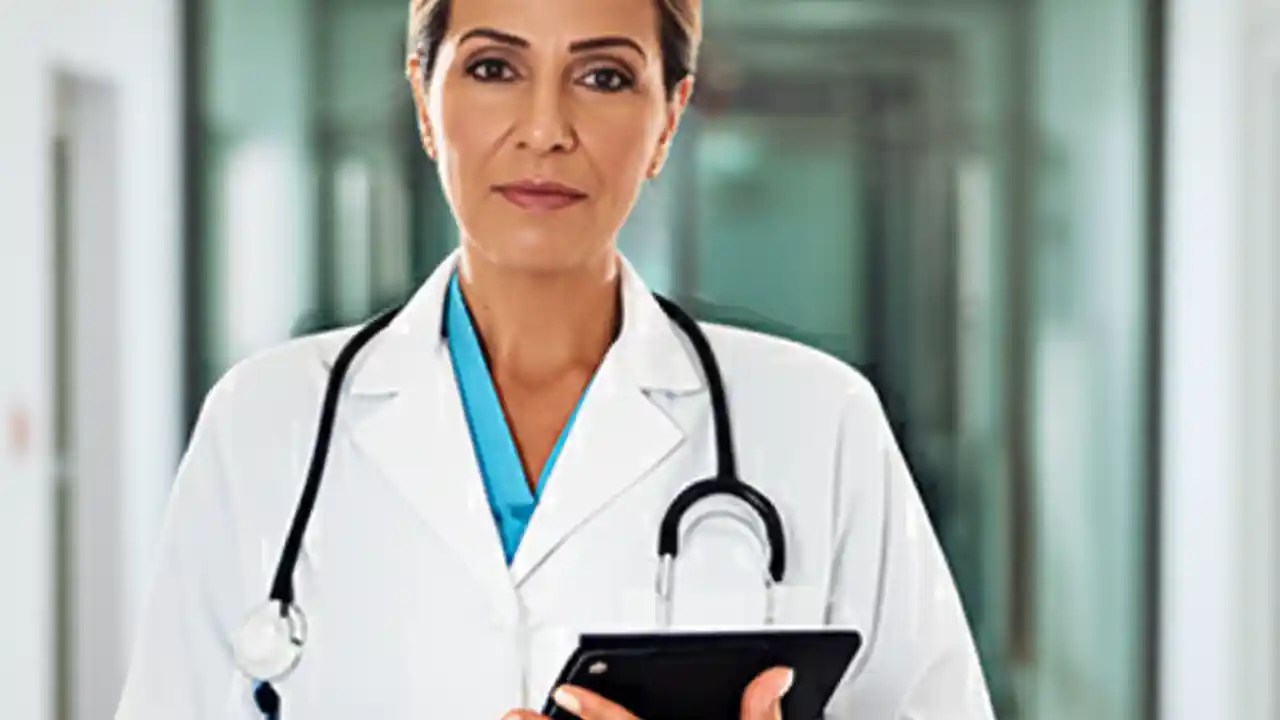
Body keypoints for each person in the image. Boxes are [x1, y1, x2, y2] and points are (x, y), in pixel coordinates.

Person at [115, 0, 994, 717]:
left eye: (604, 76)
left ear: (668, 119)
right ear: (425, 98)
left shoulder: (816, 421)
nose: (546, 129)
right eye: (495, 68)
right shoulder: (267, 421)